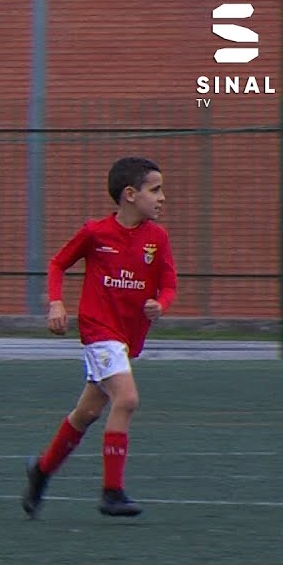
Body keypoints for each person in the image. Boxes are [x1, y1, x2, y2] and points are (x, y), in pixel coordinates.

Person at [22, 156, 177, 519]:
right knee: (127, 399)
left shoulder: (158, 238)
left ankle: (41, 471)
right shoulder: (95, 233)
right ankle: (112, 492)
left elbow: (168, 283)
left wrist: (161, 303)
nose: (162, 198)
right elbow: (58, 263)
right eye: (155, 190)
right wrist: (57, 303)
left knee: (88, 412)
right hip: (98, 331)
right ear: (129, 195)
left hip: (127, 338)